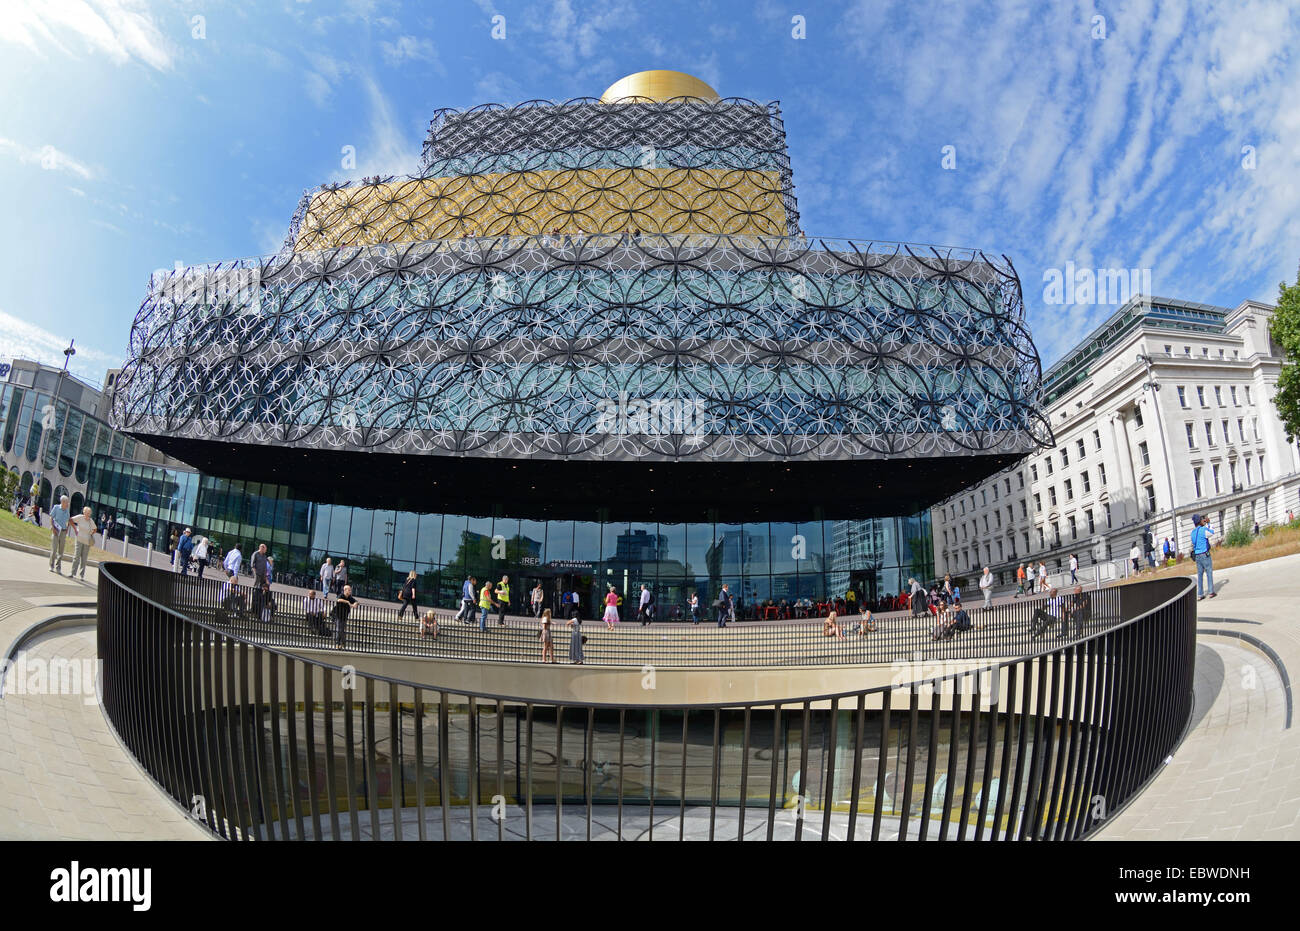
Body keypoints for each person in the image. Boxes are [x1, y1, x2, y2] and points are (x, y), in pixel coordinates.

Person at [1191, 514, 1217, 600]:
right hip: (1205, 554)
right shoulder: (1203, 529)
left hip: (1197, 555)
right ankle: (1211, 592)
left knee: (1200, 574)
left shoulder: (1192, 533)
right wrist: (1209, 523)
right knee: (1209, 572)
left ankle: (1200, 594)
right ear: (1200, 521)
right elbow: (1212, 532)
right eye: (1202, 519)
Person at [68, 506, 97, 581]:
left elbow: (95, 529)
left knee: (84, 559)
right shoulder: (80, 517)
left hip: (87, 542)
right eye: (87, 513)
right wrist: (75, 529)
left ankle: (81, 575)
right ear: (84, 512)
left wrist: (91, 533)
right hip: (79, 539)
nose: (88, 514)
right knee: (76, 556)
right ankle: (72, 573)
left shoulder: (91, 521)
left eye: (89, 513)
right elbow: (70, 520)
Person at [48, 494, 70, 574]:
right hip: (56, 530)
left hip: (63, 532)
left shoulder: (67, 510)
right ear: (62, 502)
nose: (68, 504)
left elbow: (68, 520)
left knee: (61, 551)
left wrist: (67, 529)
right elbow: (51, 517)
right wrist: (53, 527)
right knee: (54, 550)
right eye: (67, 502)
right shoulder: (56, 507)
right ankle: (51, 565)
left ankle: (58, 567)